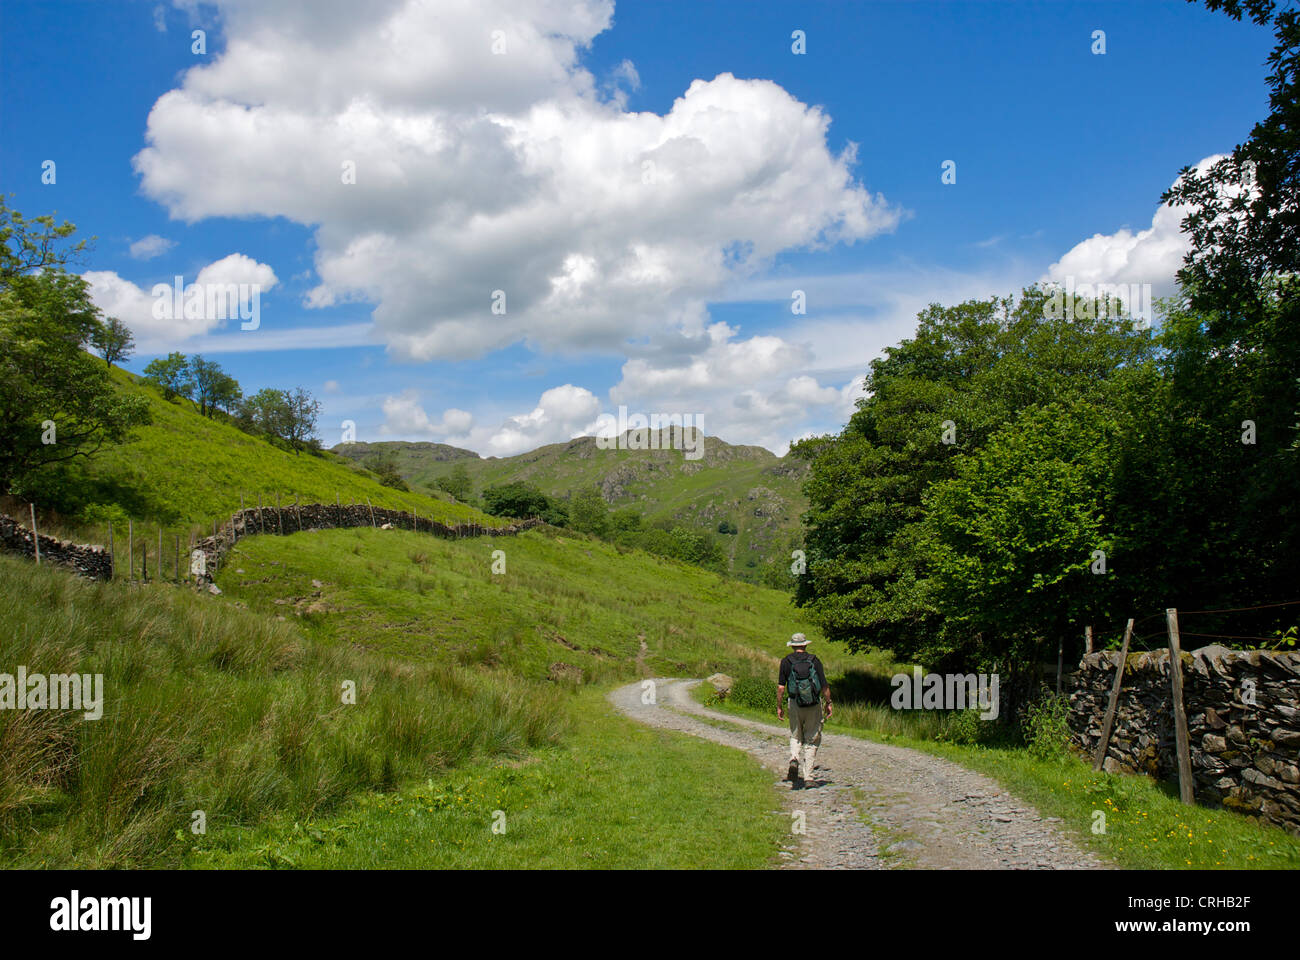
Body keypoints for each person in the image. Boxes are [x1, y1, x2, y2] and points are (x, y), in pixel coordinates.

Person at [776, 633, 831, 786]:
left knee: (795, 735)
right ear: (805, 645)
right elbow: (824, 685)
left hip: (794, 703)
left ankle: (794, 758)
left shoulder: (786, 662)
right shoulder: (814, 660)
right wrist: (828, 702)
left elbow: (781, 688)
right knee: (812, 738)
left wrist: (779, 706)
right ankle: (809, 777)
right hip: (813, 704)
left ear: (793, 646)